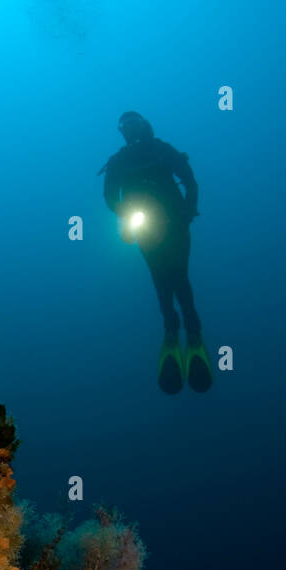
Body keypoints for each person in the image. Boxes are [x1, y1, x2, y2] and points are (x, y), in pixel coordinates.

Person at [100, 111, 211, 394]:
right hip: (149, 227)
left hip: (175, 223)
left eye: (132, 124)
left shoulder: (161, 150)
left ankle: (185, 326)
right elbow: (110, 196)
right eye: (125, 127)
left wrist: (188, 209)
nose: (130, 130)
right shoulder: (120, 161)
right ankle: (178, 326)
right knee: (163, 276)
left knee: (174, 274)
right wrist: (126, 212)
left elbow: (189, 178)